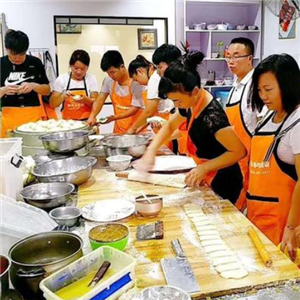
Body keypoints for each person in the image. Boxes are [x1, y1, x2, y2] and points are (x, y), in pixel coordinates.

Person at [137, 50, 246, 204]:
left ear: (194, 91)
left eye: (178, 101)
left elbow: (239, 151)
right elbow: (170, 126)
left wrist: (205, 168)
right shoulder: (189, 103)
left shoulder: (212, 117)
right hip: (205, 171)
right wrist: (151, 150)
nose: (176, 105)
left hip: (224, 180)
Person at [247, 54, 300, 258]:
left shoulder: (296, 122)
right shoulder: (269, 115)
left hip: (284, 221)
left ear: (288, 85)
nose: (263, 96)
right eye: (259, 90)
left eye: (268, 90)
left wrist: (291, 226)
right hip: (258, 212)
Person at [225, 37, 261, 211]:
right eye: (228, 56)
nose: (231, 61)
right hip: (235, 157)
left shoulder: (256, 85)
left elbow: (262, 125)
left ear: (249, 58)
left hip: (251, 158)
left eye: (236, 56)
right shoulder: (236, 84)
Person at [0, 30, 50, 137]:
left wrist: (34, 86)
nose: (18, 58)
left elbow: (47, 90)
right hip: (9, 115)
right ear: (7, 49)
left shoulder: (35, 62)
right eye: (14, 54)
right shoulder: (1, 64)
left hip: (32, 115)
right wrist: (3, 90)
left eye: (22, 54)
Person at [126, 44, 181, 135]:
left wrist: (132, 129)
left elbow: (149, 112)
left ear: (139, 71)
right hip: (167, 126)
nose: (158, 72)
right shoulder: (160, 78)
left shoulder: (154, 79)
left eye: (159, 67)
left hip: (171, 125)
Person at [87, 50, 144, 134]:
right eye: (108, 73)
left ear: (122, 67)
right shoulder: (108, 81)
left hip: (137, 131)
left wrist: (113, 118)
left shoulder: (136, 82)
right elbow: (100, 100)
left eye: (112, 72)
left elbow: (134, 109)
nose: (111, 76)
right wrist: (92, 116)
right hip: (118, 132)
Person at [50, 50, 98, 120]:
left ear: (87, 67)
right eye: (76, 68)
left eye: (83, 69)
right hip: (67, 124)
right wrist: (63, 96)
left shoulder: (91, 79)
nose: (79, 72)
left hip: (87, 122)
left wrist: (85, 100)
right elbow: (53, 104)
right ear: (70, 65)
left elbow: (96, 103)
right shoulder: (61, 79)